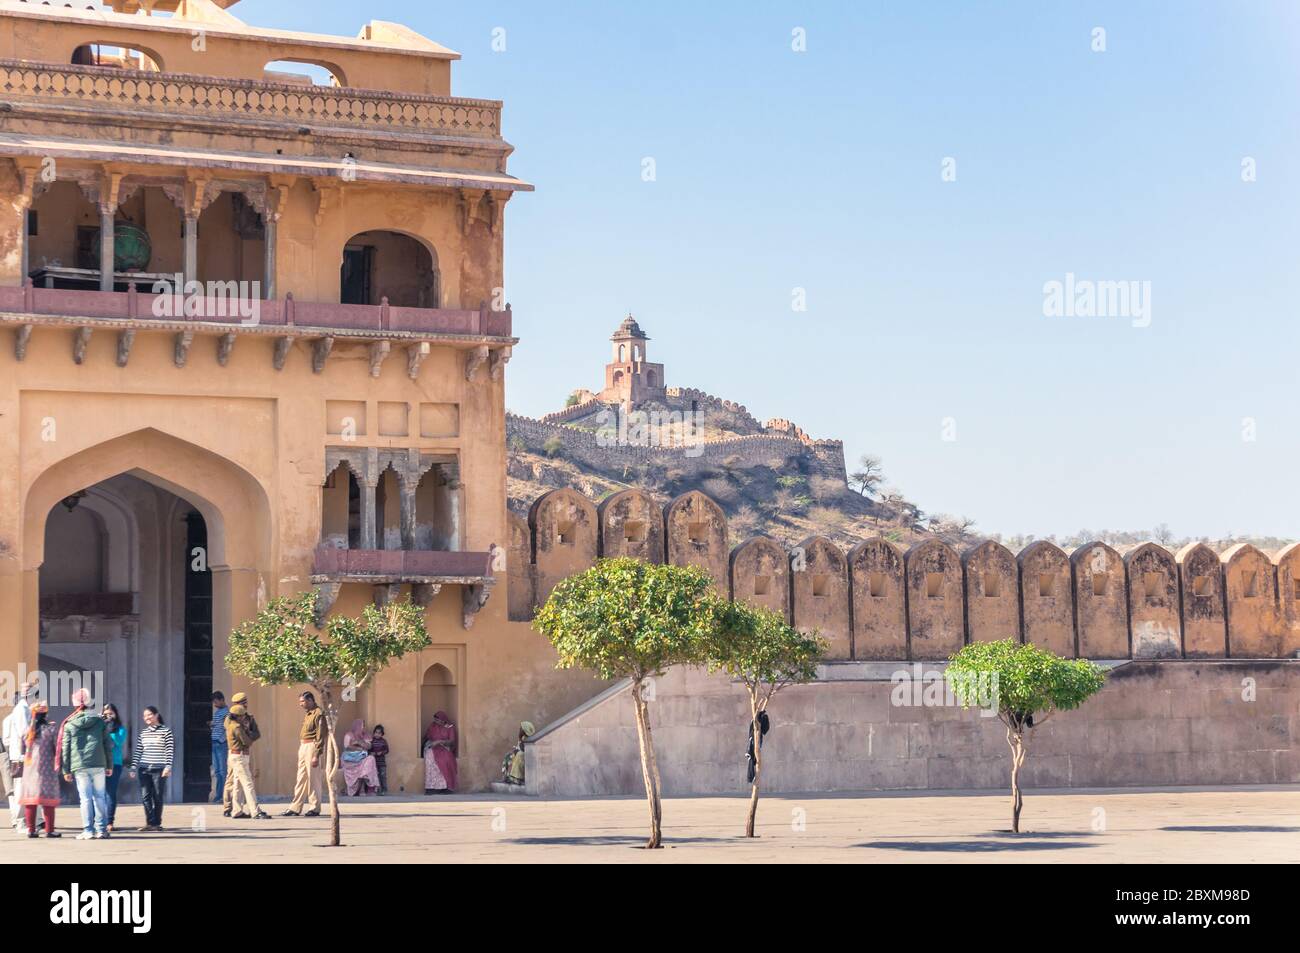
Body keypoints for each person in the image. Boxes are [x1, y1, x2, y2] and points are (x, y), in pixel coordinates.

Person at [60, 687, 114, 840]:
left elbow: (66, 749)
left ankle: (88, 830)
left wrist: (66, 770)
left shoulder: (69, 724)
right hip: (98, 764)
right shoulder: (99, 721)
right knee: (100, 797)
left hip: (80, 766)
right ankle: (101, 830)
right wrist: (109, 765)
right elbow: (107, 744)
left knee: (85, 799)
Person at [19, 701, 60, 839]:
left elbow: (22, 750)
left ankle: (31, 830)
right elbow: (57, 749)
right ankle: (49, 830)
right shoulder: (50, 729)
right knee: (47, 800)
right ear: (45, 714)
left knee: (31, 800)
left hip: (30, 770)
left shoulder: (27, 732)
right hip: (47, 769)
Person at [129, 706, 173, 832]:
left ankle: (157, 822)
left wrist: (168, 767)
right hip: (144, 768)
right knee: (145, 796)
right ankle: (150, 822)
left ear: (156, 715)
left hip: (159, 769)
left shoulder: (166, 731)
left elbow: (169, 751)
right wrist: (133, 767)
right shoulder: (143, 733)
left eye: (149, 715)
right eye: (145, 716)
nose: (147, 718)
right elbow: (138, 751)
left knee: (158, 796)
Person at [282, 691, 325, 817]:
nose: (301, 704)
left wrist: (316, 754)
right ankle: (295, 807)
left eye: (303, 701)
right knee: (301, 778)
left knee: (313, 779)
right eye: (300, 701)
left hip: (312, 746)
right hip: (303, 745)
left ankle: (314, 807)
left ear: (311, 700)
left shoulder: (318, 714)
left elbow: (320, 736)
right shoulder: (308, 714)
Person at [3, 679, 36, 834]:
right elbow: (25, 733)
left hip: (24, 755)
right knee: (20, 791)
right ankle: (20, 822)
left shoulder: (26, 709)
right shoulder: (21, 710)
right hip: (22, 756)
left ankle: (26, 821)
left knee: (24, 790)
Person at [225, 704, 269, 819]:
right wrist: (249, 733)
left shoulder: (231, 725)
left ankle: (237, 811)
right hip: (240, 757)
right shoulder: (237, 727)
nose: (244, 717)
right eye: (242, 716)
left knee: (238, 785)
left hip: (235, 756)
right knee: (248, 784)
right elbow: (247, 742)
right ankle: (255, 811)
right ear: (238, 716)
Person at [221, 692, 259, 818]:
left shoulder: (249, 717)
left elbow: (256, 733)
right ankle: (228, 806)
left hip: (245, 751)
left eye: (245, 702)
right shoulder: (231, 720)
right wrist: (247, 735)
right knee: (232, 781)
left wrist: (249, 735)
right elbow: (236, 735)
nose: (244, 705)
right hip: (236, 751)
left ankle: (237, 809)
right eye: (241, 703)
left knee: (240, 782)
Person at [101, 703, 128, 832]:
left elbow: (118, 741)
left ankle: (109, 821)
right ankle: (99, 820)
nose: (108, 716)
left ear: (116, 714)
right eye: (106, 714)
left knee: (110, 793)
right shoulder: (99, 727)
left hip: (115, 763)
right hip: (100, 763)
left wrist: (110, 728)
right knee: (99, 794)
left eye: (111, 713)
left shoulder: (120, 728)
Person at [341, 719, 380, 796]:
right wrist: (359, 748)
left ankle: (367, 788)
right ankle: (357, 790)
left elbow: (369, 746)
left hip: (361, 758)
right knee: (364, 764)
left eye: (364, 726)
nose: (363, 728)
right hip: (350, 760)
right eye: (362, 725)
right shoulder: (349, 735)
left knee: (370, 760)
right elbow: (347, 747)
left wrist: (359, 742)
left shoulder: (366, 735)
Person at [423, 711, 458, 794]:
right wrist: (429, 743)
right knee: (430, 759)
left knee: (445, 760)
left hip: (445, 748)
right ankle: (431, 787)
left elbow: (452, 742)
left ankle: (445, 787)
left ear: (443, 720)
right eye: (435, 720)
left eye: (438, 720)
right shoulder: (433, 726)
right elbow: (427, 736)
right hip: (433, 747)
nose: (436, 722)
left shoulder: (450, 727)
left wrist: (439, 742)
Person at [500, 721, 535, 786]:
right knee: (508, 756)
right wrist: (515, 750)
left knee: (519, 755)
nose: (520, 729)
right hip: (519, 753)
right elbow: (519, 747)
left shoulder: (528, 738)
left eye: (521, 728)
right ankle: (507, 776)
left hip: (524, 756)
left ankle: (516, 779)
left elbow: (524, 749)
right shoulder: (522, 737)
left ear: (525, 729)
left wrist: (517, 750)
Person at [209, 691, 228, 804]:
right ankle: (218, 795)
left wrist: (222, 740)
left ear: (222, 700)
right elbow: (218, 726)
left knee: (222, 771)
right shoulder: (217, 713)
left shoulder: (227, 713)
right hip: (214, 742)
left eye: (216, 702)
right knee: (216, 771)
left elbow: (228, 728)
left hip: (221, 744)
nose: (215, 704)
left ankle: (222, 796)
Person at [370, 725, 390, 795]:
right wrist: (372, 753)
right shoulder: (372, 741)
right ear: (374, 733)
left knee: (383, 776)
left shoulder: (383, 741)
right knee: (376, 776)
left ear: (382, 734)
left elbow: (387, 750)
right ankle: (378, 790)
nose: (377, 734)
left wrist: (381, 752)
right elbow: (369, 750)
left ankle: (384, 790)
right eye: (376, 732)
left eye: (379, 733)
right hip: (374, 763)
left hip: (382, 763)